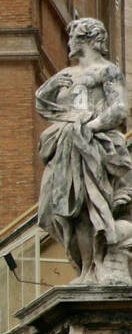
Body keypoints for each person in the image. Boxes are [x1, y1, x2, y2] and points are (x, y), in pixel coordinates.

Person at [36, 17, 132, 283]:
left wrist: (91, 127)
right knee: (61, 211)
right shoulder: (65, 75)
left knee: (88, 208)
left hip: (93, 146)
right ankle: (84, 268)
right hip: (65, 145)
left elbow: (119, 109)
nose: (68, 42)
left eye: (73, 36)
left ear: (87, 39)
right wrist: (53, 86)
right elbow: (42, 104)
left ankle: (95, 267)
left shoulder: (106, 70)